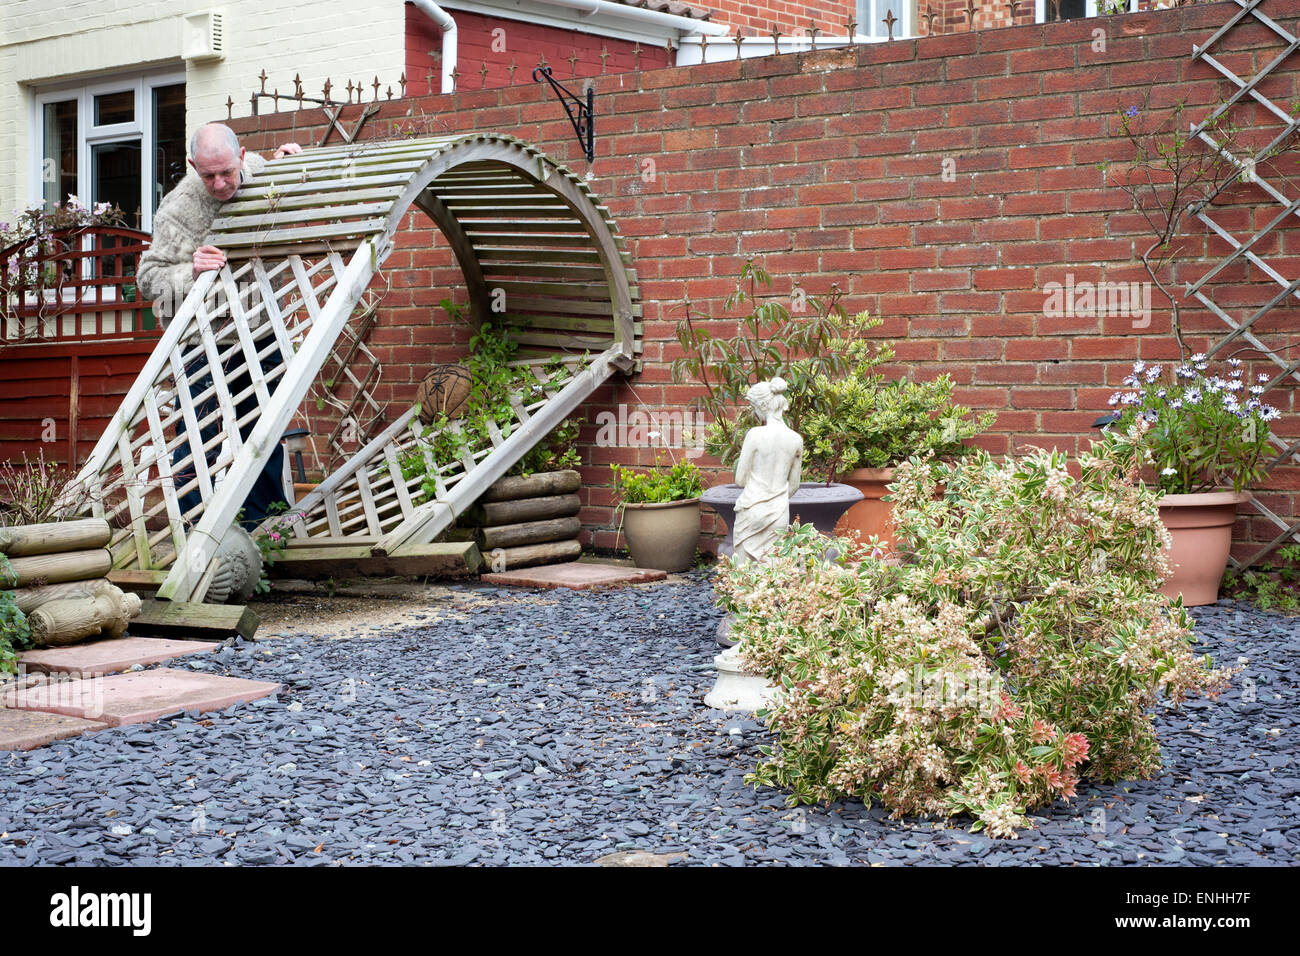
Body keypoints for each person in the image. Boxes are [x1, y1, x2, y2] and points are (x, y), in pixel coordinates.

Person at [137, 123, 304, 530]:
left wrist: (293, 162)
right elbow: (147, 278)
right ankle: (196, 525)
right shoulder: (177, 209)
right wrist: (189, 270)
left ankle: (265, 525)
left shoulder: (261, 172)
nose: (219, 182)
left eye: (227, 172)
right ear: (194, 166)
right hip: (203, 341)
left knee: (263, 429)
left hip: (261, 333)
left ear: (242, 156)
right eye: (208, 174)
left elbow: (285, 174)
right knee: (197, 436)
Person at [731, 376, 803, 565]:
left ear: (762, 406)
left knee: (744, 573)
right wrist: (776, 499)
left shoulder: (755, 435)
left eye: (754, 407)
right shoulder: (796, 439)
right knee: (773, 570)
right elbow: (794, 485)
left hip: (751, 507)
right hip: (779, 511)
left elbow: (740, 479)